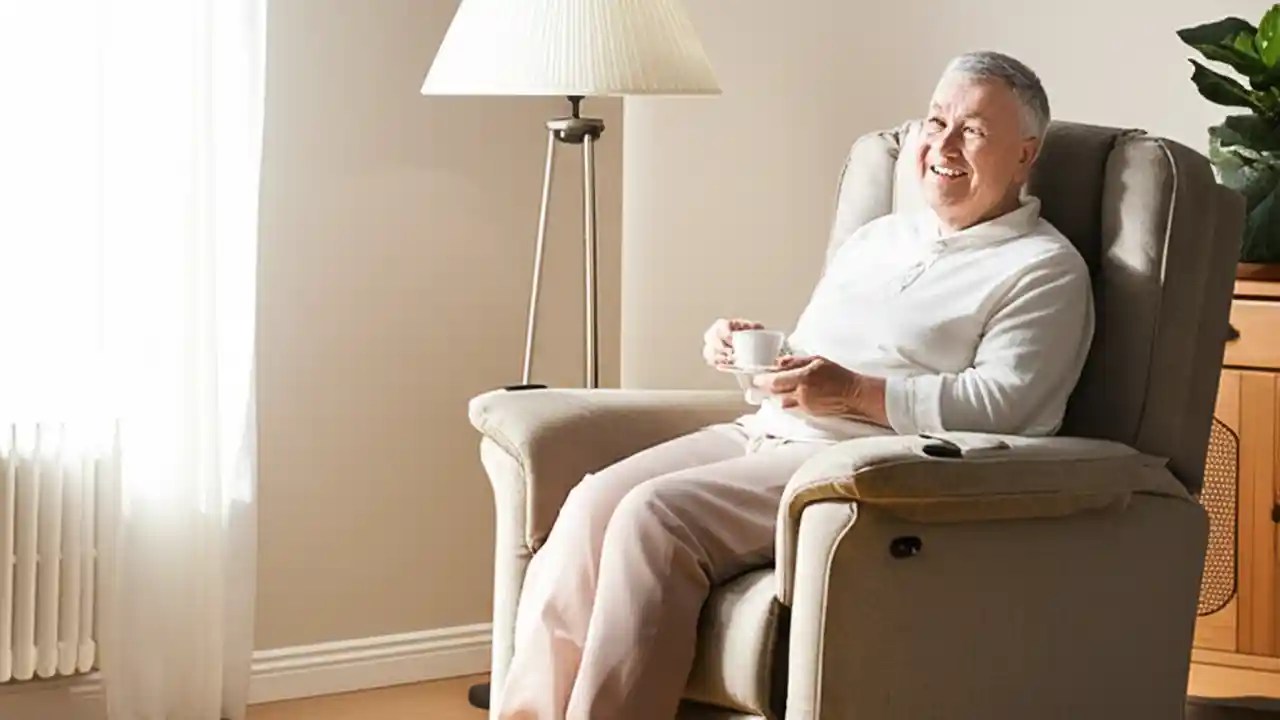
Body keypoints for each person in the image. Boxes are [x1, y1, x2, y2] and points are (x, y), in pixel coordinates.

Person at [496, 50, 1094, 720]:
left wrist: (853, 395)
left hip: (859, 464)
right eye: (935, 122)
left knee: (653, 518)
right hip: (768, 432)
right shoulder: (880, 239)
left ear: (1024, 154)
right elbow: (822, 358)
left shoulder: (1043, 268)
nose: (943, 145)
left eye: (974, 131)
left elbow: (1008, 407)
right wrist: (759, 354)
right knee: (590, 504)